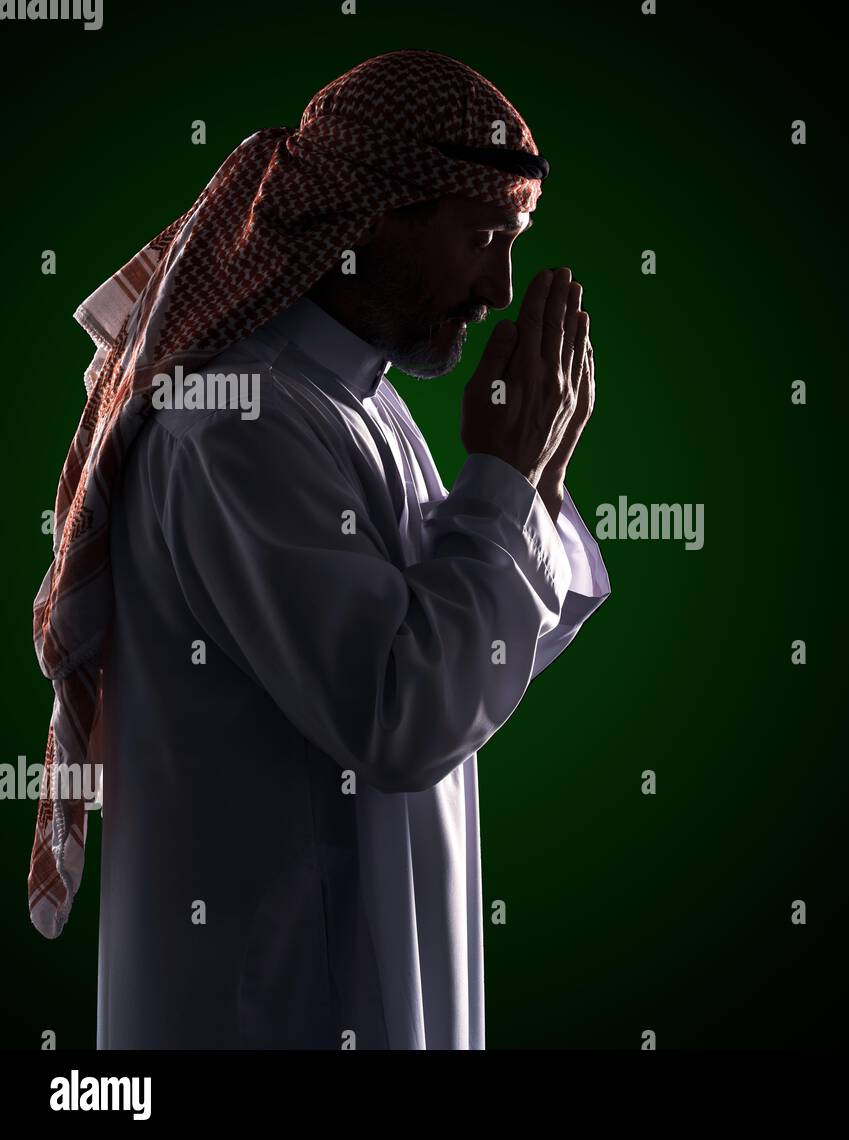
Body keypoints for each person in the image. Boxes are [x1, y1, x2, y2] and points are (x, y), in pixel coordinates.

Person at [28, 50, 611, 1049]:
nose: (497, 288)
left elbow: (470, 662)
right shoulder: (239, 425)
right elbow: (401, 718)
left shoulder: (358, 404)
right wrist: (503, 481)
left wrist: (534, 482)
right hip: (269, 998)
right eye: (480, 238)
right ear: (365, 218)